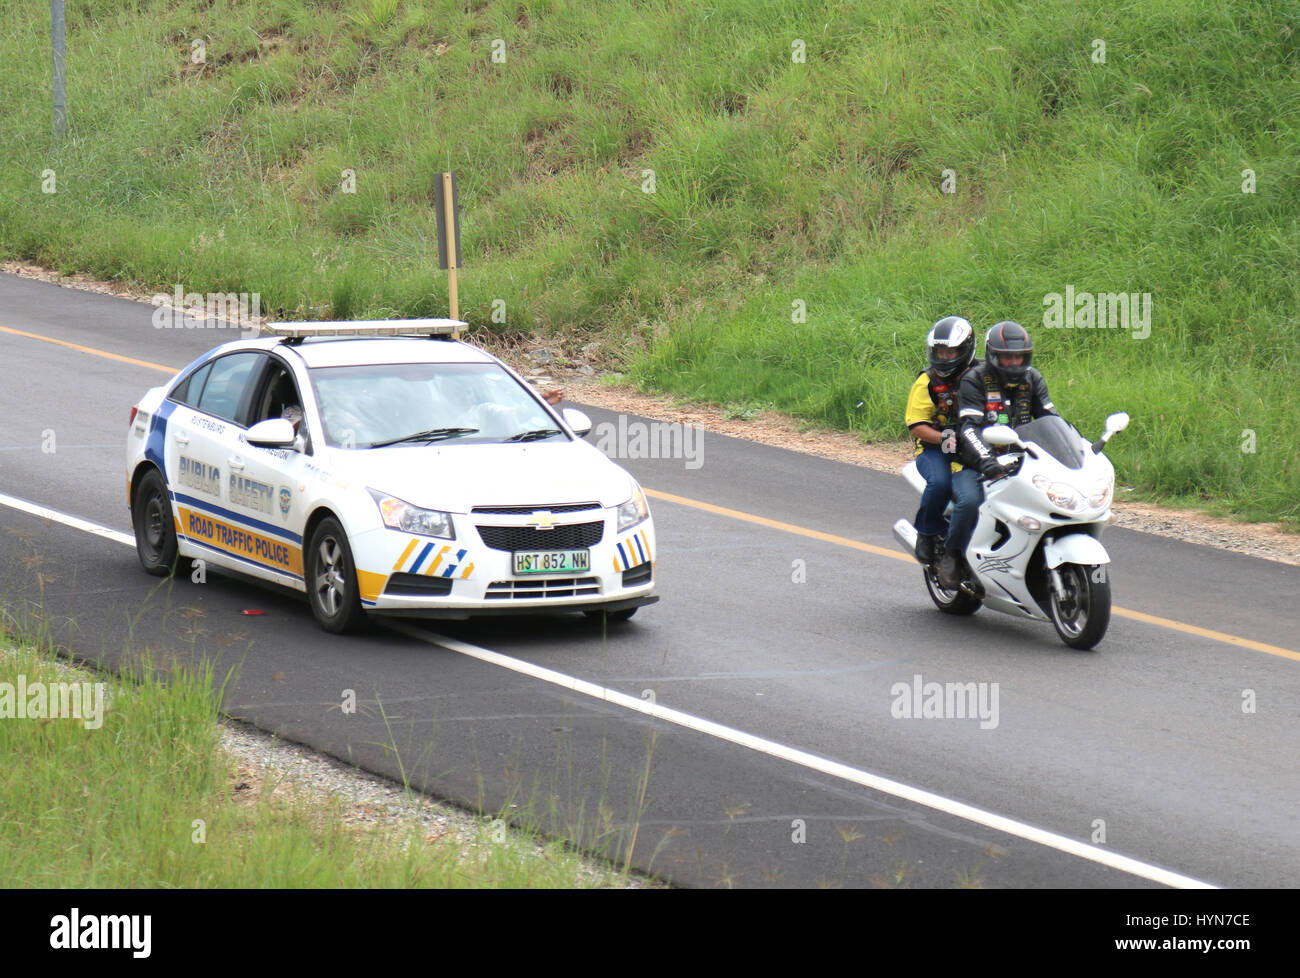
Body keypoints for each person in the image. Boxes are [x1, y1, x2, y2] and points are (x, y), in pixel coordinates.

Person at [941, 320, 1058, 589]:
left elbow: (1051, 419)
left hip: (1021, 462)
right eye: (1007, 358)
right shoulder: (975, 379)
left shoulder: (1033, 378)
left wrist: (1079, 447)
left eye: (1019, 357)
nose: (1014, 363)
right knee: (970, 502)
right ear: (993, 356)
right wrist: (986, 461)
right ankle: (953, 555)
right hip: (973, 464)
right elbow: (969, 429)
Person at [904, 316, 980, 564]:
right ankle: (926, 532)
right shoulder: (926, 381)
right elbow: (916, 425)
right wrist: (946, 438)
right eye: (940, 352)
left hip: (976, 446)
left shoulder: (982, 376)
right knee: (940, 484)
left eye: (950, 353)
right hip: (933, 448)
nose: (944, 358)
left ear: (965, 350)